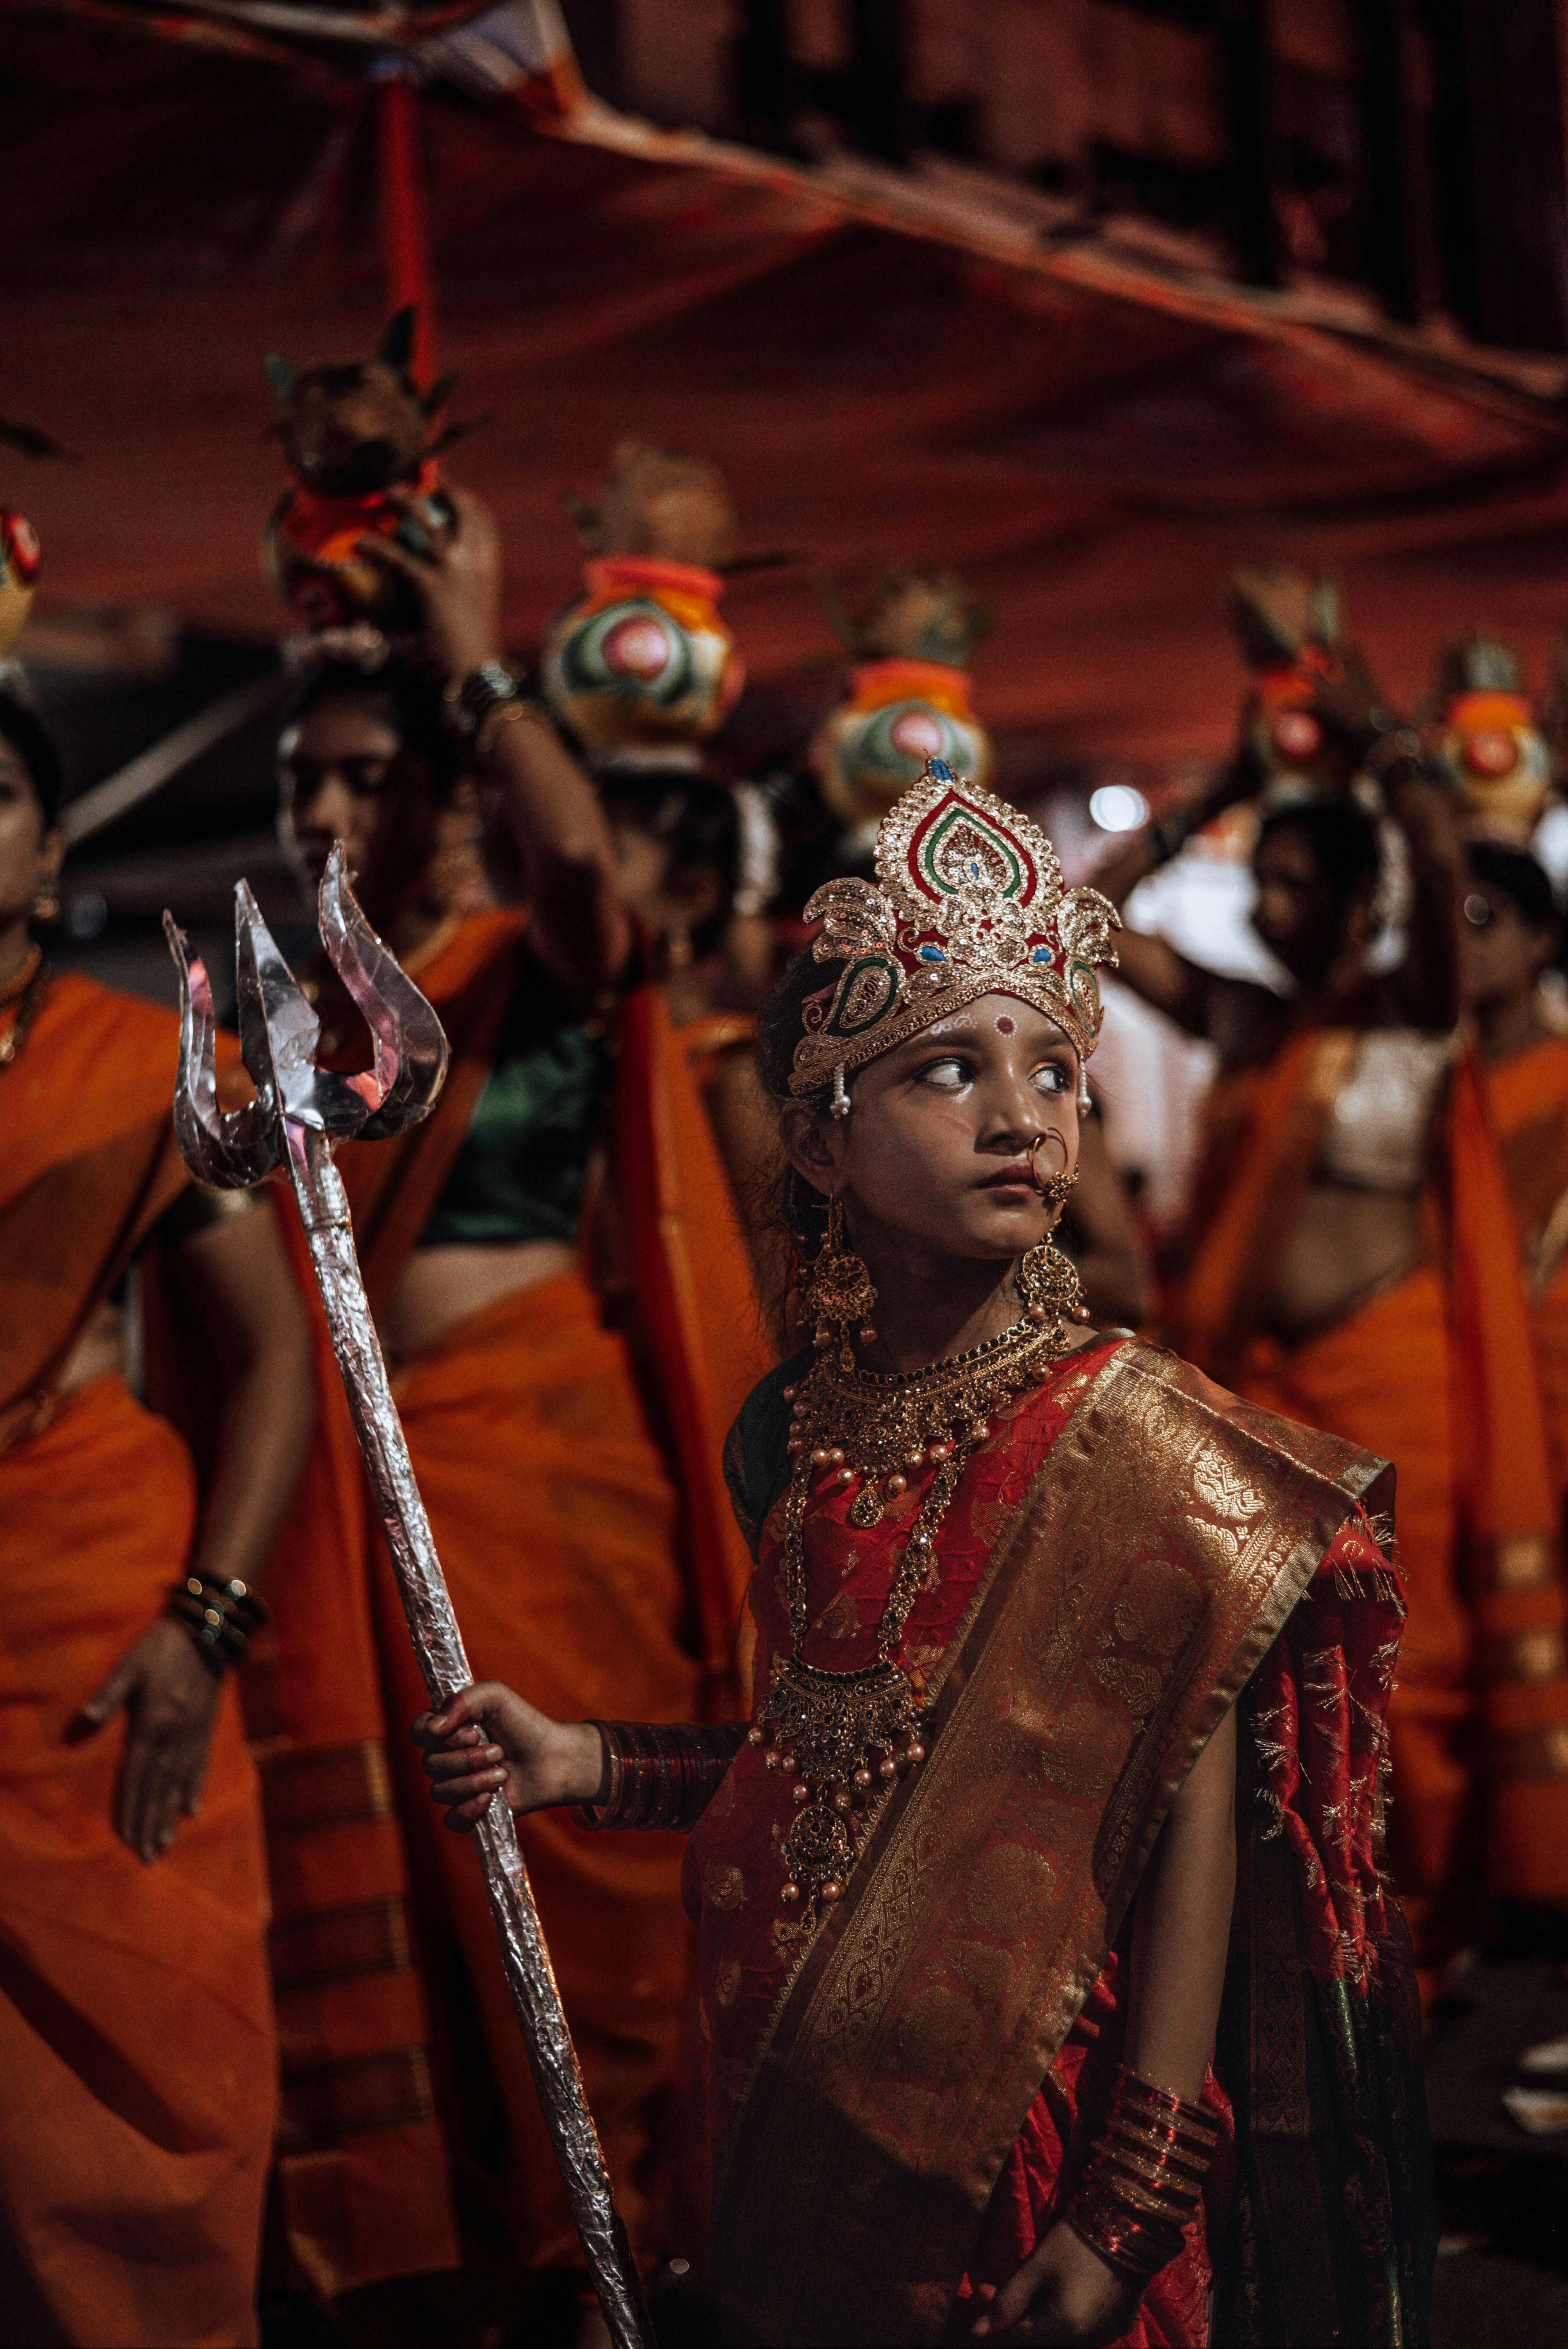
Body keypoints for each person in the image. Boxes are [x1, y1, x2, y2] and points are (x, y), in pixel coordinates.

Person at [410, 764, 1434, 2348]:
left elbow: (1187, 1846)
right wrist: (583, 1761)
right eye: (946, 1071)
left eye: (1053, 1071)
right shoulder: (794, 1438)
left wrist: (1128, 2205)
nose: (1022, 1117)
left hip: (1028, 2144)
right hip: (774, 2093)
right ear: (818, 1146)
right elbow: (811, 1761)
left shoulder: (1146, 1449)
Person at [254, 486, 770, 2336]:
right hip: (351, 1495)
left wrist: (477, 658)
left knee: (582, 1883)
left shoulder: (518, 966)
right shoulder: (283, 1018)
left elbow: (584, 878)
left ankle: (634, 2251)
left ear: (444, 792)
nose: (324, 816)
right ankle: (493, 2259)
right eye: (300, 782)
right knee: (412, 1888)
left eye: (366, 780)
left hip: (538, 1461)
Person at [1093, 668, 1563, 1980]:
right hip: (1251, 1392)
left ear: (1364, 903)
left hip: (1387, 1377)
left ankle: (1417, 1947)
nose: (1271, 908)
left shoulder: (1413, 1014)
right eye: (1265, 883)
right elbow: (1083, 918)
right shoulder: (1245, 1019)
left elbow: (1426, 861)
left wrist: (1392, 754)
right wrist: (1228, 793)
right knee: (1246, 1680)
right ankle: (1284, 1947)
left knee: (1405, 1677)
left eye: (1301, 886)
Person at [0, 689, 314, 2347]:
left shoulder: (143, 1070)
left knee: (154, 2076)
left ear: (49, 850)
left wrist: (206, 1625)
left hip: (88, 1607)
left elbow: (275, 1362)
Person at [1459, 839, 1568, 1918]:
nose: (1461, 940)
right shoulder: (1431, 1085)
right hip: (1461, 1404)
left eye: (1486, 916)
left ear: (1544, 939)